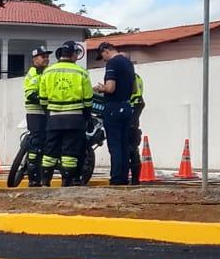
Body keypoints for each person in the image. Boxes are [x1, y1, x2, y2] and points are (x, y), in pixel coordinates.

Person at [38, 41, 94, 186]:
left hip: (54, 118)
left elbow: (42, 98)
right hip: (75, 118)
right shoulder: (81, 72)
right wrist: (87, 117)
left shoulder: (48, 72)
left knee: (50, 150)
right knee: (70, 152)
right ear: (74, 54)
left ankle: (45, 182)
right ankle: (67, 182)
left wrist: (49, 112)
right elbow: (88, 99)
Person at [93, 41, 135, 186]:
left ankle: (116, 178)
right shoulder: (128, 63)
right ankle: (123, 177)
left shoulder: (112, 63)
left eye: (103, 56)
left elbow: (110, 88)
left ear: (106, 51)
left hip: (114, 108)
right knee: (124, 145)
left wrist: (100, 88)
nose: (104, 60)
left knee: (115, 145)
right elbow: (134, 89)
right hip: (127, 107)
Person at [22, 46, 51, 186]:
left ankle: (42, 176)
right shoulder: (33, 73)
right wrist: (44, 100)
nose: (46, 59)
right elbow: (31, 94)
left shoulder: (48, 72)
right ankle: (33, 178)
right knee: (36, 144)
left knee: (47, 144)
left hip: (47, 112)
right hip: (36, 113)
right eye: (43, 56)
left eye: (47, 56)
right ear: (35, 59)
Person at [127, 71, 145, 184]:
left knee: (130, 148)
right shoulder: (137, 76)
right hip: (135, 109)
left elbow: (131, 91)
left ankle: (133, 179)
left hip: (131, 109)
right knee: (133, 148)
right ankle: (135, 179)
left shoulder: (129, 76)